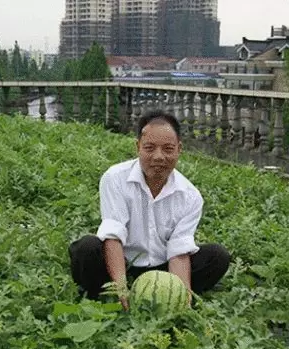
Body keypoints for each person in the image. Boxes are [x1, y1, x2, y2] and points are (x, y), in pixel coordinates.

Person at [68, 110, 231, 310]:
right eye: (150, 148)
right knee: (86, 248)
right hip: (122, 264)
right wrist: (120, 288)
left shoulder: (190, 196)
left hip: (163, 269)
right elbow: (113, 235)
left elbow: (179, 252)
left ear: (179, 149)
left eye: (168, 149)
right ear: (138, 147)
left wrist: (182, 297)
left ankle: (166, 299)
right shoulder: (115, 178)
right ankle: (104, 297)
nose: (159, 157)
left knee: (217, 256)